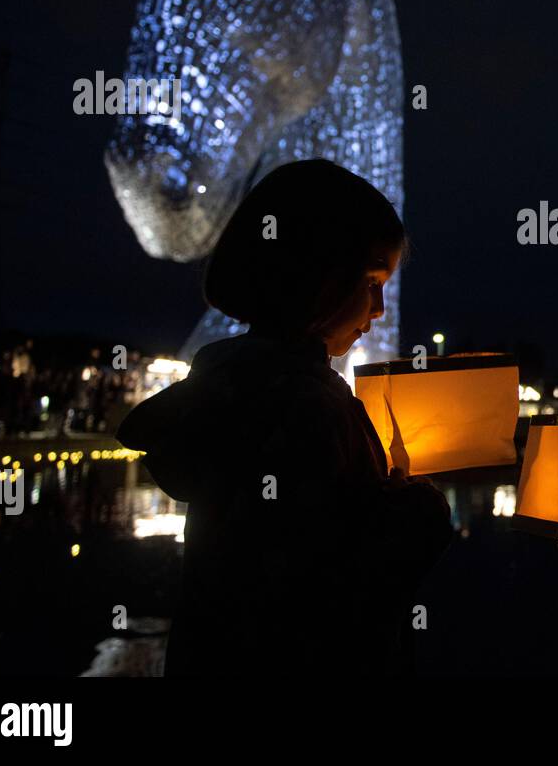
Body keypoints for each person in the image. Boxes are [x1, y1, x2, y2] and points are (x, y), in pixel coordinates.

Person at [118, 160, 453, 676]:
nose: (381, 308)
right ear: (315, 275)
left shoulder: (225, 389)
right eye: (371, 280)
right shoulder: (307, 408)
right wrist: (419, 514)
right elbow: (328, 588)